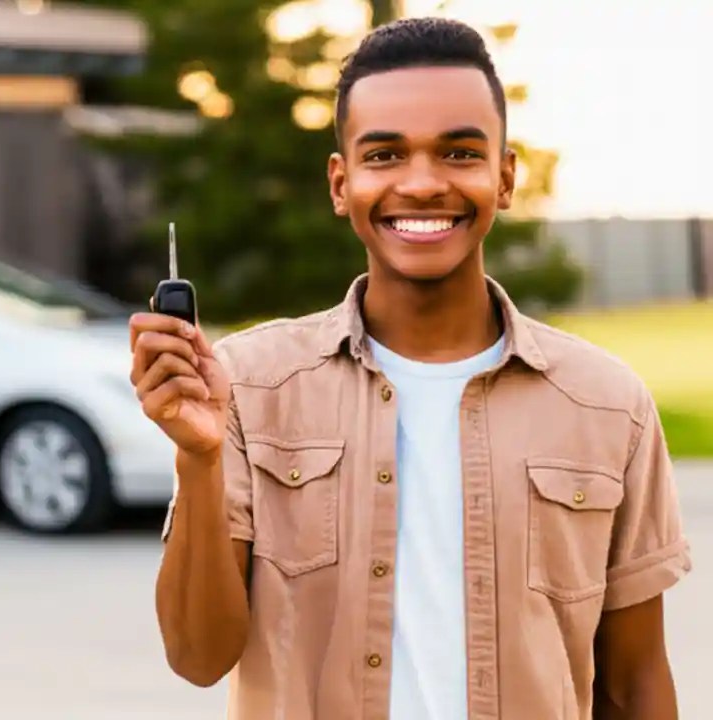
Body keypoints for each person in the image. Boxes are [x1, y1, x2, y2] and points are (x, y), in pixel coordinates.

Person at [129, 16, 690, 720]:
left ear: (506, 176)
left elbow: (634, 684)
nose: (422, 184)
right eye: (385, 155)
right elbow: (197, 656)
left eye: (458, 154)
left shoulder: (609, 405)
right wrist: (199, 460)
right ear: (342, 183)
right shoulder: (248, 384)